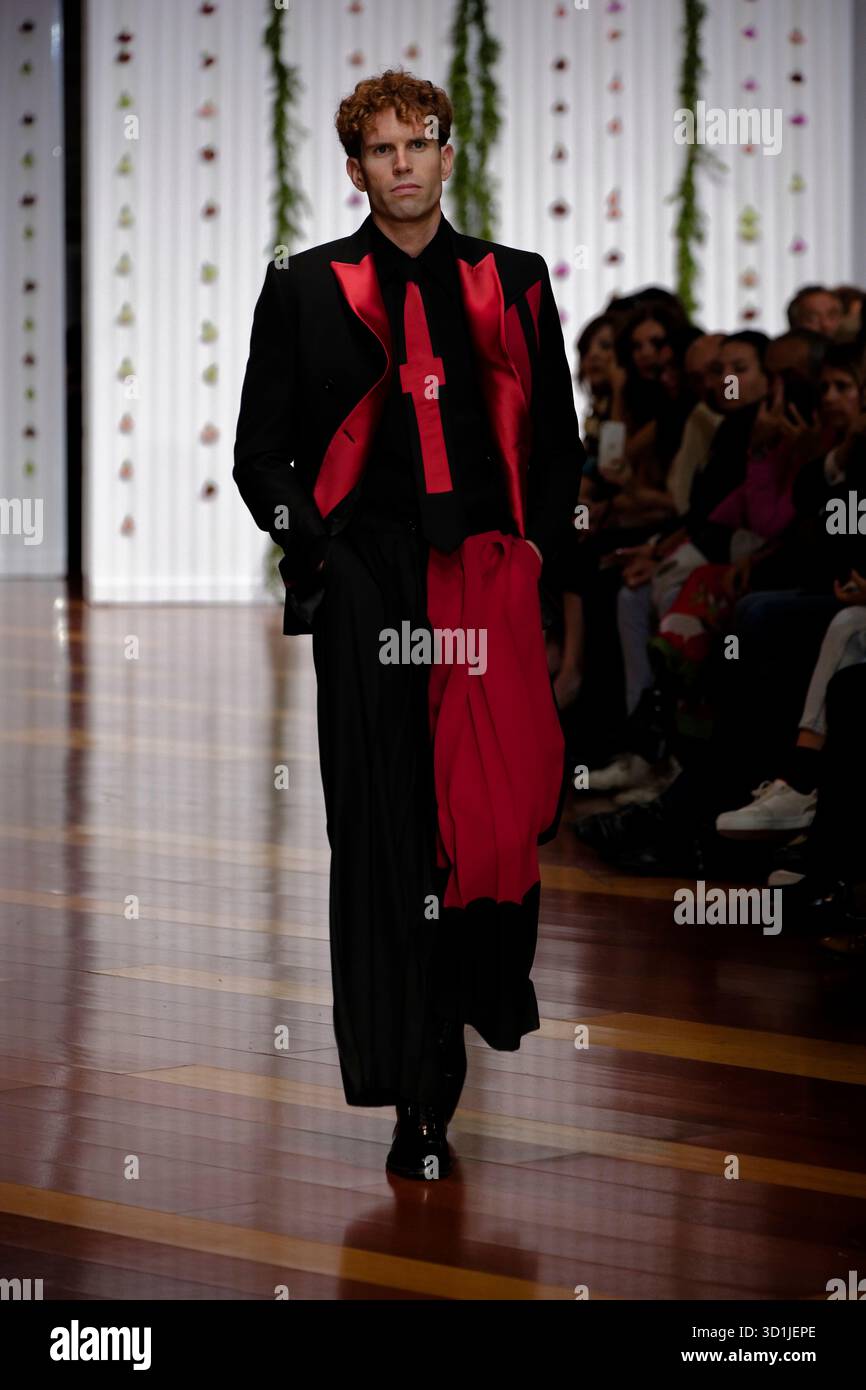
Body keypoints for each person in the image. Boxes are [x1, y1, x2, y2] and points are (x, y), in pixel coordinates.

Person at [232, 69, 583, 1180]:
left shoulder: (515, 283)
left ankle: (476, 1002)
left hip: (488, 582)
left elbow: (557, 453)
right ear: (354, 169)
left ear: (446, 153)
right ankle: (419, 1095)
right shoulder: (304, 284)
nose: (401, 163)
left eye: (417, 143)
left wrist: (564, 595)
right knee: (389, 837)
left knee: (490, 821)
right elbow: (260, 452)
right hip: (376, 588)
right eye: (378, 149)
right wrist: (320, 547)